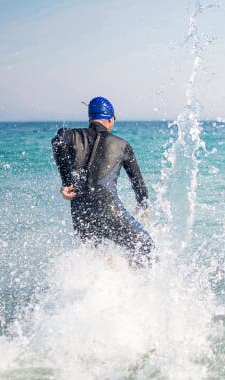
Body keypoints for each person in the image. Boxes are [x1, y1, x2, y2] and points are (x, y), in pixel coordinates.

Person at [52, 96, 154, 266]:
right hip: (108, 210)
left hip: (80, 214)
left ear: (91, 118)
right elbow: (137, 182)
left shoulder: (69, 135)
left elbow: (57, 143)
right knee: (146, 247)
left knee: (98, 260)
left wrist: (66, 182)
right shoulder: (122, 145)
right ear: (109, 119)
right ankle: (139, 288)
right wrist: (143, 204)